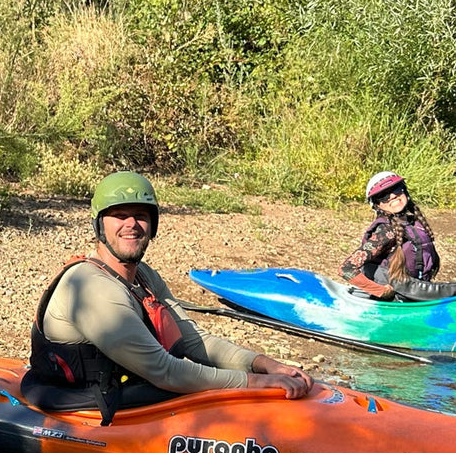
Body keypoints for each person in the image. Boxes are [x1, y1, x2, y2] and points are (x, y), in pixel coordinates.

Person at [23, 172, 312, 423]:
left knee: (204, 378)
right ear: (99, 225)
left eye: (141, 216)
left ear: (153, 224)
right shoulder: (91, 286)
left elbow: (193, 340)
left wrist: (264, 364)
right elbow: (165, 372)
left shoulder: (143, 276)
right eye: (120, 216)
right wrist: (255, 384)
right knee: (199, 390)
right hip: (78, 399)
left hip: (126, 384)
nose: (132, 224)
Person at [341, 171, 441, 299]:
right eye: (383, 195)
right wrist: (380, 291)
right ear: (377, 205)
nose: (392, 196)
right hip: (393, 299)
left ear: (405, 191)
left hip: (414, 293)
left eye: (396, 189)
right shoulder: (386, 232)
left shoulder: (414, 223)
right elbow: (346, 268)